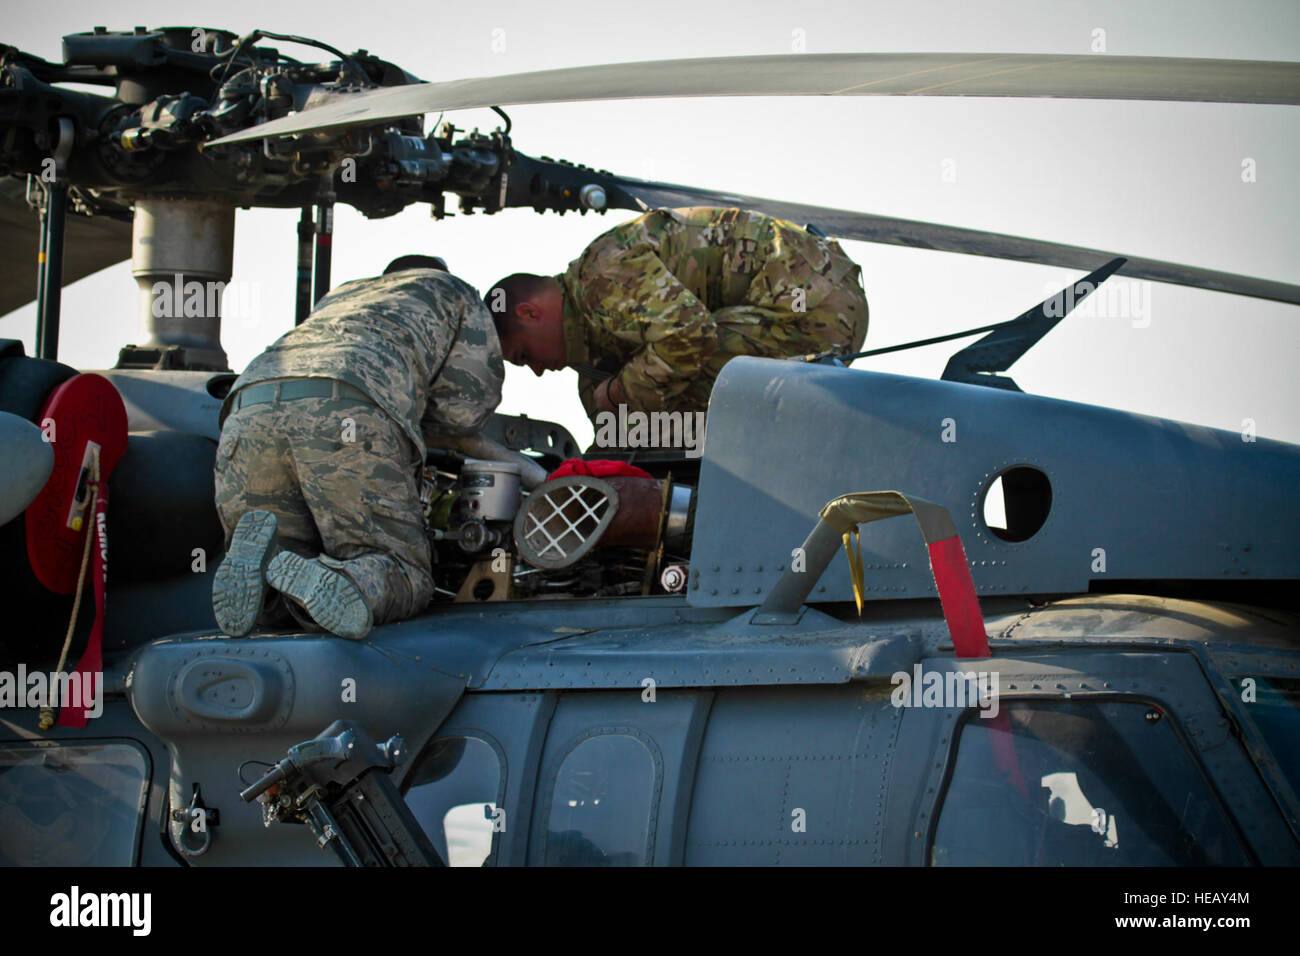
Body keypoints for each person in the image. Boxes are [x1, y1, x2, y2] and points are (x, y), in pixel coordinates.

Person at [211, 259, 502, 640]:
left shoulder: (343, 294)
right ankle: (347, 578)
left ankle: (267, 568)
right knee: (403, 571)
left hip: (248, 406)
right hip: (347, 408)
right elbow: (462, 413)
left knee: (287, 565)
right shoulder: (453, 291)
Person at [486, 206, 868, 422]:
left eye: (523, 356)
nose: (536, 370)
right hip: (814, 302)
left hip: (811, 305)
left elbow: (690, 336)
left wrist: (621, 393)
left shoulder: (599, 281)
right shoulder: (594, 321)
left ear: (530, 312)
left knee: (676, 396)